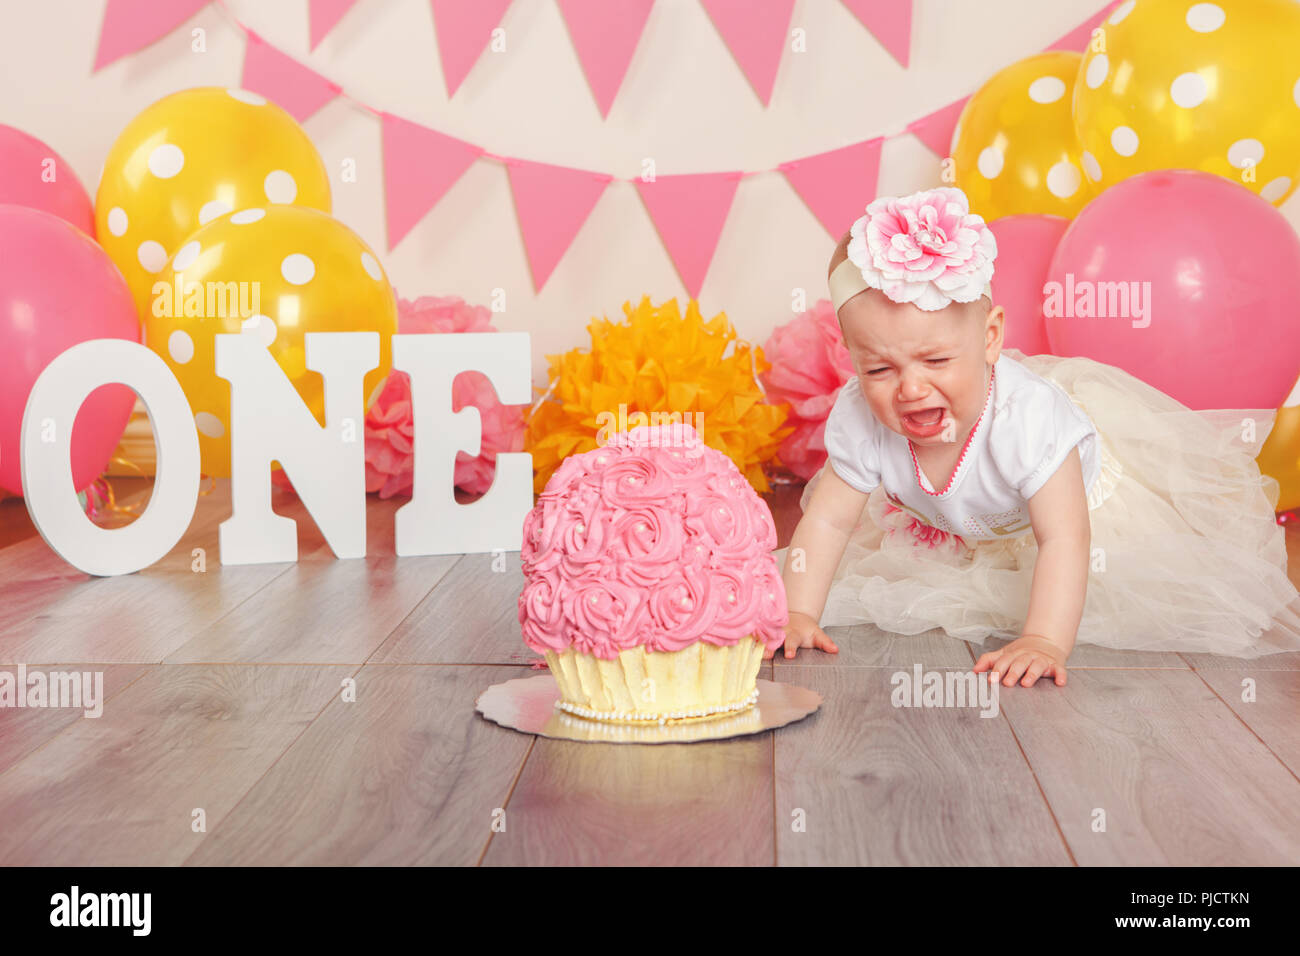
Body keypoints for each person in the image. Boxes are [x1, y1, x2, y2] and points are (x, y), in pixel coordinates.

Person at [775, 186, 1300, 687]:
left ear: (991, 338)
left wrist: (1044, 640)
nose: (911, 388)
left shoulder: (1026, 420)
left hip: (1082, 522)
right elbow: (827, 520)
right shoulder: (861, 417)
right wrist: (800, 610)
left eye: (936, 360)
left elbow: (1065, 539)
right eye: (879, 370)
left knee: (1090, 570)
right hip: (968, 523)